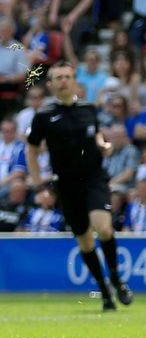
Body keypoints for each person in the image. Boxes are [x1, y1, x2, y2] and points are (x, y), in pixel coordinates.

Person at [24, 61, 133, 311]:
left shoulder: (88, 109)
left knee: (103, 228)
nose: (63, 81)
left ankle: (116, 279)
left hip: (94, 177)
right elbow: (31, 150)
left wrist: (103, 144)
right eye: (58, 77)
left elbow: (96, 134)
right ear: (50, 84)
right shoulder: (43, 116)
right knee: (85, 241)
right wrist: (38, 183)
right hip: (66, 183)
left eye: (67, 76)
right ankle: (104, 291)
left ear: (75, 81)